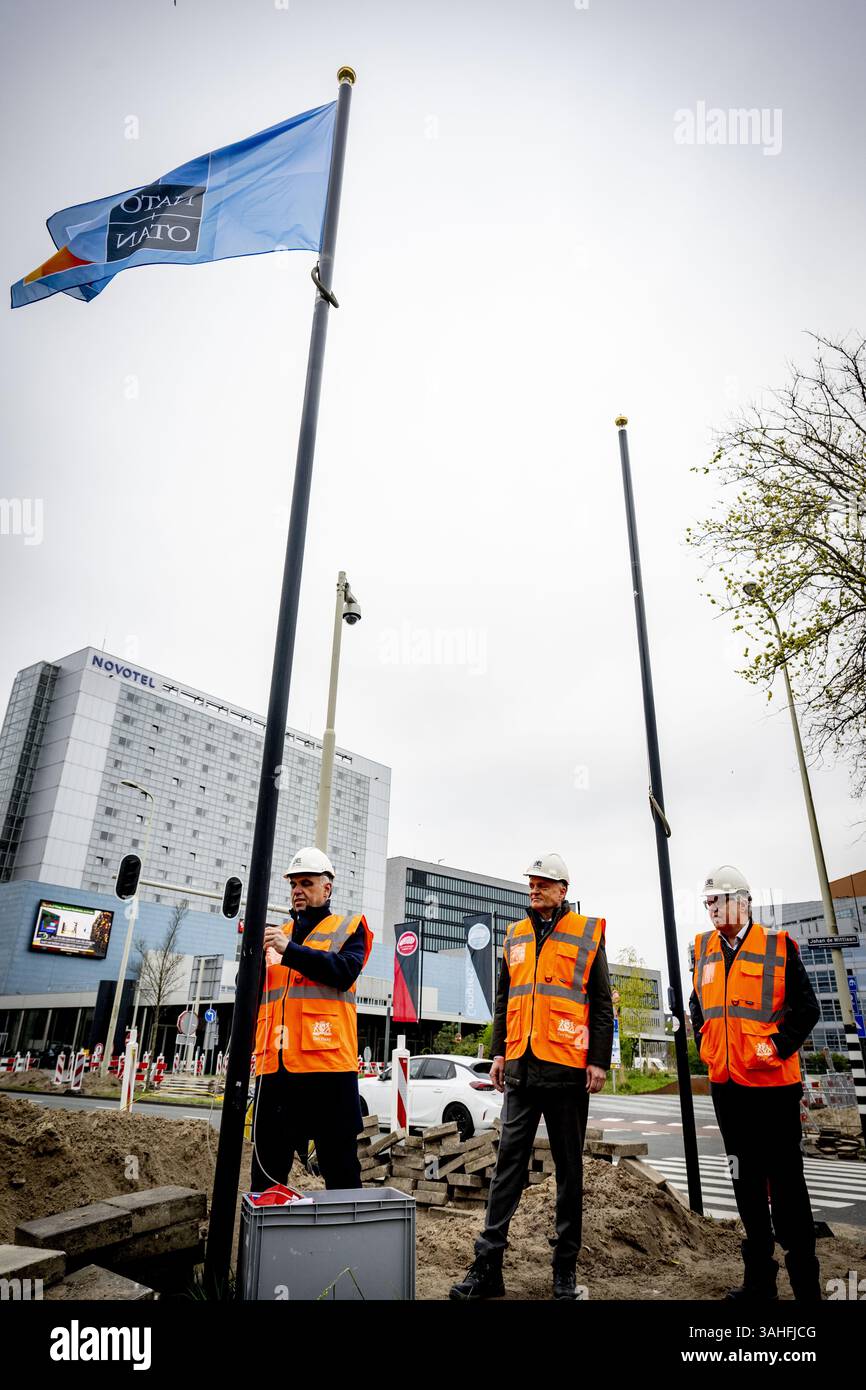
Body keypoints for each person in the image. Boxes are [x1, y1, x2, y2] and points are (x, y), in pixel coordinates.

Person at [450, 853, 613, 1301]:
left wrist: (599, 1059)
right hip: (521, 1069)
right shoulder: (515, 935)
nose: (534, 888)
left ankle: (564, 1271)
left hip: (566, 1072)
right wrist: (499, 1051)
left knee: (568, 1172)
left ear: (563, 889)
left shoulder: (586, 932)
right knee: (507, 1169)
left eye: (544, 883)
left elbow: (601, 1004)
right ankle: (488, 1269)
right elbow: (505, 1001)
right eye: (531, 882)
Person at [689, 864, 822, 1301]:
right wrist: (706, 1044)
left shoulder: (778, 947)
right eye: (708, 902)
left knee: (786, 1185)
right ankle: (760, 1283)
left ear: (744, 902)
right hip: (728, 1088)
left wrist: (775, 1048)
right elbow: (698, 1006)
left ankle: (806, 1287)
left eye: (721, 900)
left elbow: (807, 1010)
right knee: (744, 1182)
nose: (713, 909)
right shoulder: (703, 950)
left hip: (774, 1091)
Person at [250, 845, 373, 1192]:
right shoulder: (276, 935)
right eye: (293, 884)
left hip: (328, 1069)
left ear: (327, 888)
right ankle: (266, 1240)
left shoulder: (349, 928)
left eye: (306, 883)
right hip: (277, 1070)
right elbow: (258, 997)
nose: (298, 890)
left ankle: (348, 1242)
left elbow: (344, 971)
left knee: (341, 1168)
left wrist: (289, 950)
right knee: (267, 1171)